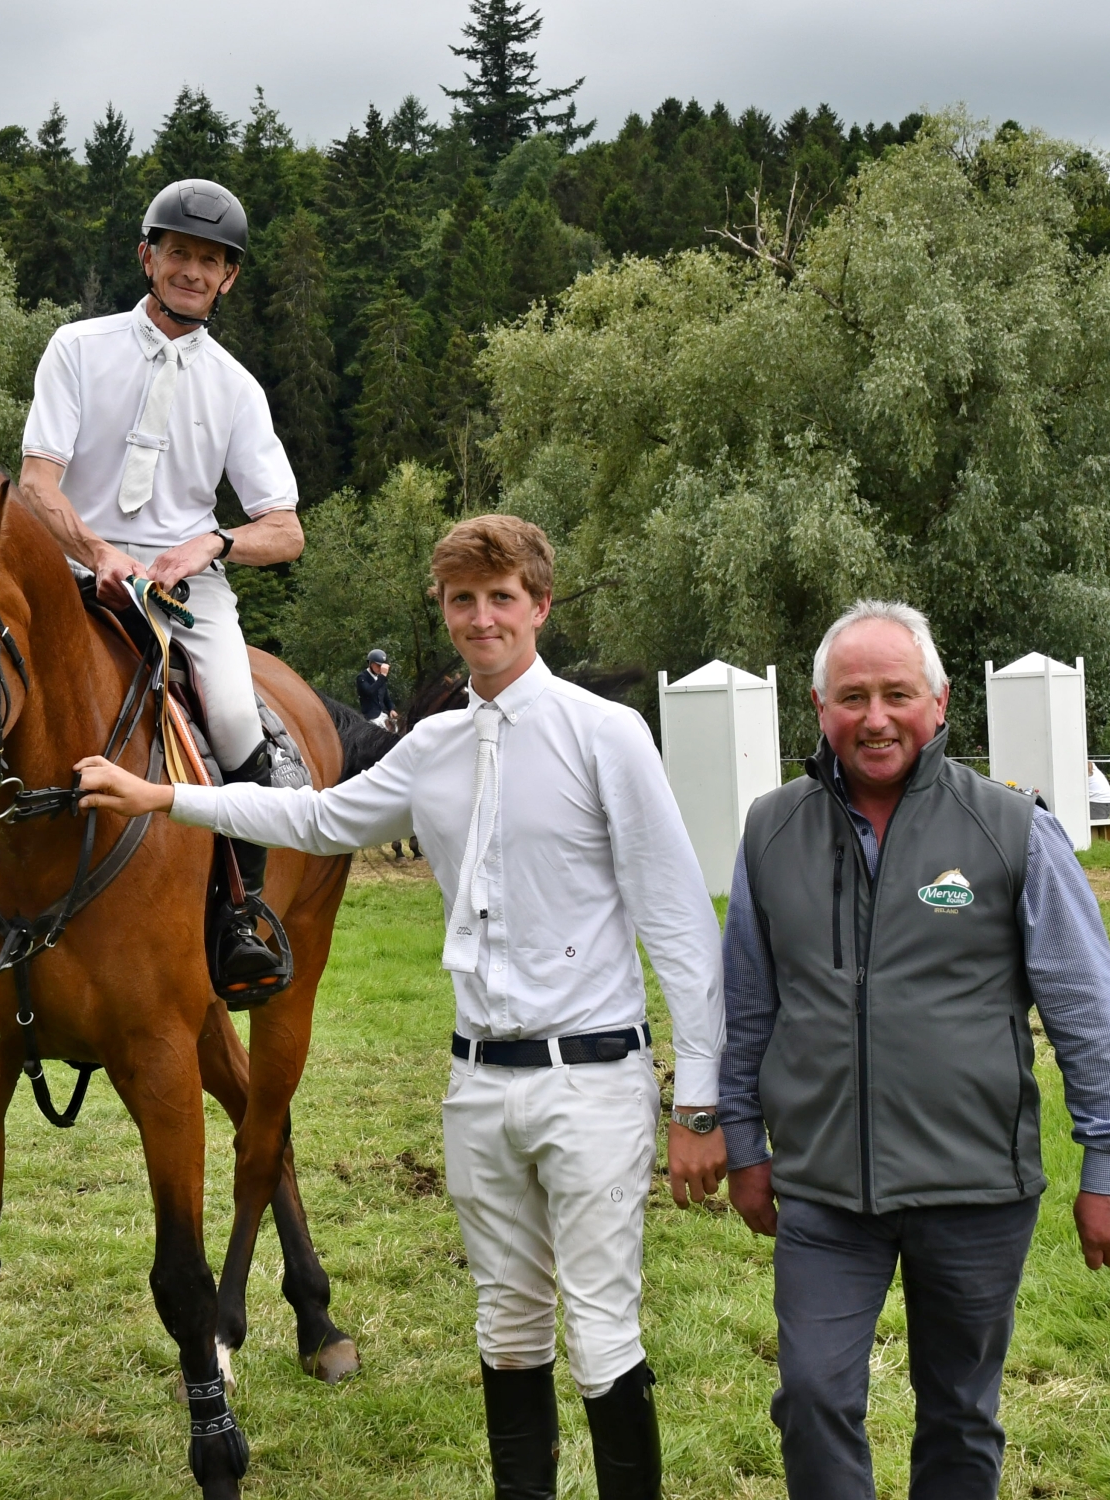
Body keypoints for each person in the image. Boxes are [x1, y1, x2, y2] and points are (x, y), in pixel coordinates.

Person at [75, 514, 728, 1499]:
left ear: (540, 607)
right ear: (446, 611)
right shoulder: (435, 748)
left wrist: (701, 1104)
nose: (481, 618)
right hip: (478, 1086)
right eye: (463, 600)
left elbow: (679, 923)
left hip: (592, 1080)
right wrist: (167, 799)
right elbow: (316, 818)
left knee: (601, 1337)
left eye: (502, 598)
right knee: (507, 1332)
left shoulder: (606, 736)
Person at [719, 598, 1110, 1500]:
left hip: (975, 1187)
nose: (875, 718)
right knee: (811, 1396)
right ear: (819, 707)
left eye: (897, 694)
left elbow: (1085, 1006)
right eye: (852, 698)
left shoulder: (1011, 828)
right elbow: (749, 1004)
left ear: (940, 700)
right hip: (824, 1190)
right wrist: (741, 1141)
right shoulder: (770, 830)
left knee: (960, 1413)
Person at [18, 177, 302, 991]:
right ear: (148, 256)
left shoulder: (238, 387)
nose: (192, 271)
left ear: (229, 278)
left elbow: (286, 529)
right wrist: (97, 550)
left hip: (186, 587)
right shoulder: (77, 346)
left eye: (211, 261)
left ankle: (240, 917)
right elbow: (36, 484)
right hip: (69, 563)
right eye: (179, 253)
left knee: (238, 720)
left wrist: (213, 541)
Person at [357, 648, 398, 727]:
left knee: (396, 728)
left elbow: (386, 698)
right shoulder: (362, 677)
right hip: (371, 717)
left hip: (383, 715)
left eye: (382, 666)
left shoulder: (380, 678)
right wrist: (382, 677)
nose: (381, 668)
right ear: (371, 664)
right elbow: (369, 692)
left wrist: (391, 709)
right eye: (378, 666)